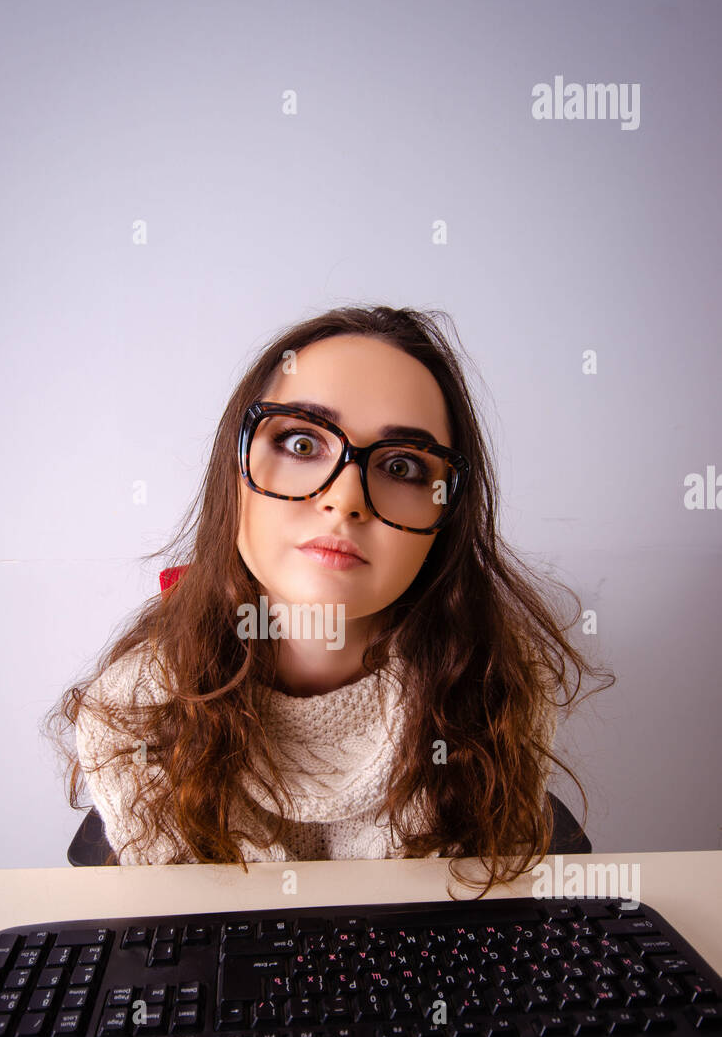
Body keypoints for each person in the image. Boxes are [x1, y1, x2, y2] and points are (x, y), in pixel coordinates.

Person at [44, 305, 613, 896]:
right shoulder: (138, 718)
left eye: (401, 466)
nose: (345, 499)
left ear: (446, 514)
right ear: (231, 473)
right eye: (299, 441)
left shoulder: (498, 694)